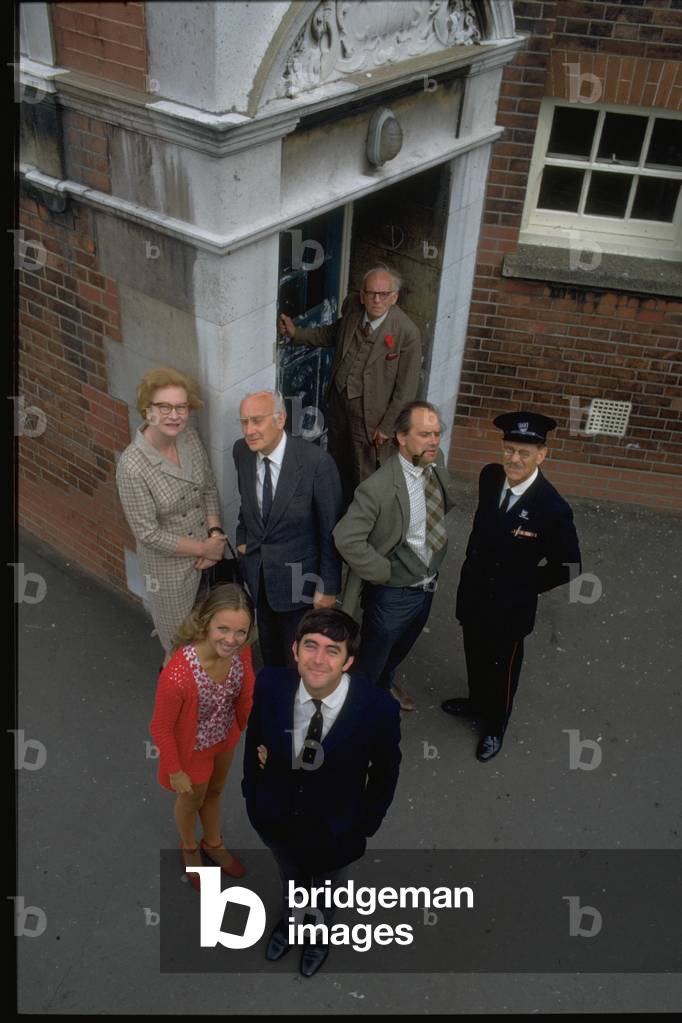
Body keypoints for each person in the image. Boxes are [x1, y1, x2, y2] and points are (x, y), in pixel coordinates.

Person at [242, 608, 401, 977]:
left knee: (327, 888)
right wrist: (253, 794)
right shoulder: (270, 683)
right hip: (278, 819)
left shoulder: (378, 710)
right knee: (291, 877)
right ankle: (290, 923)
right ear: (295, 650)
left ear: (348, 662)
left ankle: (317, 937)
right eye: (310, 645)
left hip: (336, 830)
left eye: (333, 650)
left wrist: (364, 826)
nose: (318, 658)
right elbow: (255, 741)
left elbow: (385, 773)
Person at [442, 411, 582, 762]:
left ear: (541, 455)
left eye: (524, 452)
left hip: (510, 607)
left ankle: (494, 725)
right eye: (509, 450)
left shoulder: (552, 508)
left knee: (502, 668)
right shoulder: (490, 477)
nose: (514, 459)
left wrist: (525, 585)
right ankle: (476, 702)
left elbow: (569, 566)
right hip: (474, 593)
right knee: (474, 651)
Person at [333, 401, 453, 712]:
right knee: (371, 658)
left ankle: (385, 684)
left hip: (428, 584)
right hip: (393, 593)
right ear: (401, 437)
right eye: (425, 434)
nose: (434, 441)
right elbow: (345, 537)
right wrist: (383, 571)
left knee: (401, 647)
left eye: (438, 433)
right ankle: (359, 710)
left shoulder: (434, 461)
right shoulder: (377, 488)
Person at [279, 265, 421, 504]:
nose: (376, 299)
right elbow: (332, 334)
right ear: (362, 295)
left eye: (383, 294)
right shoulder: (353, 307)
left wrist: (387, 427)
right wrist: (297, 333)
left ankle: (361, 524)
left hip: (370, 416)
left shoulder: (407, 333)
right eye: (371, 293)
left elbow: (406, 390)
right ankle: (334, 508)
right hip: (339, 401)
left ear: (394, 297)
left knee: (363, 472)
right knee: (335, 460)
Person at [116, 367, 227, 662]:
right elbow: (147, 533)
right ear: (146, 409)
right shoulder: (132, 466)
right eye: (163, 407)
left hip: (209, 556)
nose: (174, 415)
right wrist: (206, 548)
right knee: (180, 645)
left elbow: (208, 488)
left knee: (208, 632)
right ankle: (178, 701)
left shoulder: (188, 436)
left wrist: (215, 535)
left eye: (181, 407)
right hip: (169, 573)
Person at [150, 584, 255, 887]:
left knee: (215, 793)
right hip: (192, 751)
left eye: (240, 632)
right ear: (206, 621)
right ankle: (190, 848)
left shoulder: (241, 652)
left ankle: (213, 843)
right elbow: (160, 727)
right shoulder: (179, 674)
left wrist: (254, 734)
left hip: (225, 739)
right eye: (223, 629)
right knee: (191, 801)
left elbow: (246, 697)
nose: (232, 640)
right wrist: (175, 769)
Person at [233, 389, 343, 669]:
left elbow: (330, 531)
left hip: (300, 584)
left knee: (298, 658)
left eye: (257, 420)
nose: (249, 430)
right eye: (244, 422)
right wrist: (242, 538)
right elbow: (246, 502)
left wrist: (329, 587)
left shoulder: (316, 463)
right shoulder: (241, 452)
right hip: (259, 575)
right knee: (269, 653)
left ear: (280, 419)